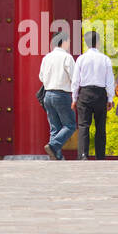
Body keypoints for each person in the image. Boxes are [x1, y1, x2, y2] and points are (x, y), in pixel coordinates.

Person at [71, 30, 115, 160]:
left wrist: (74, 98)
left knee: (84, 125)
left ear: (86, 43)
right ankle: (100, 155)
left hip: (85, 93)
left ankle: (83, 155)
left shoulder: (81, 58)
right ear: (98, 42)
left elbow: (75, 81)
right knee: (100, 126)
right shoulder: (105, 59)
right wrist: (110, 98)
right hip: (101, 94)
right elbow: (110, 80)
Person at [39, 30, 76, 160]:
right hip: (62, 94)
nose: (69, 43)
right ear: (64, 42)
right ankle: (54, 146)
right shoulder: (67, 57)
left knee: (55, 127)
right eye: (68, 41)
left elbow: (41, 77)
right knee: (70, 125)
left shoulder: (46, 57)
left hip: (48, 95)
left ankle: (56, 156)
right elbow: (74, 77)